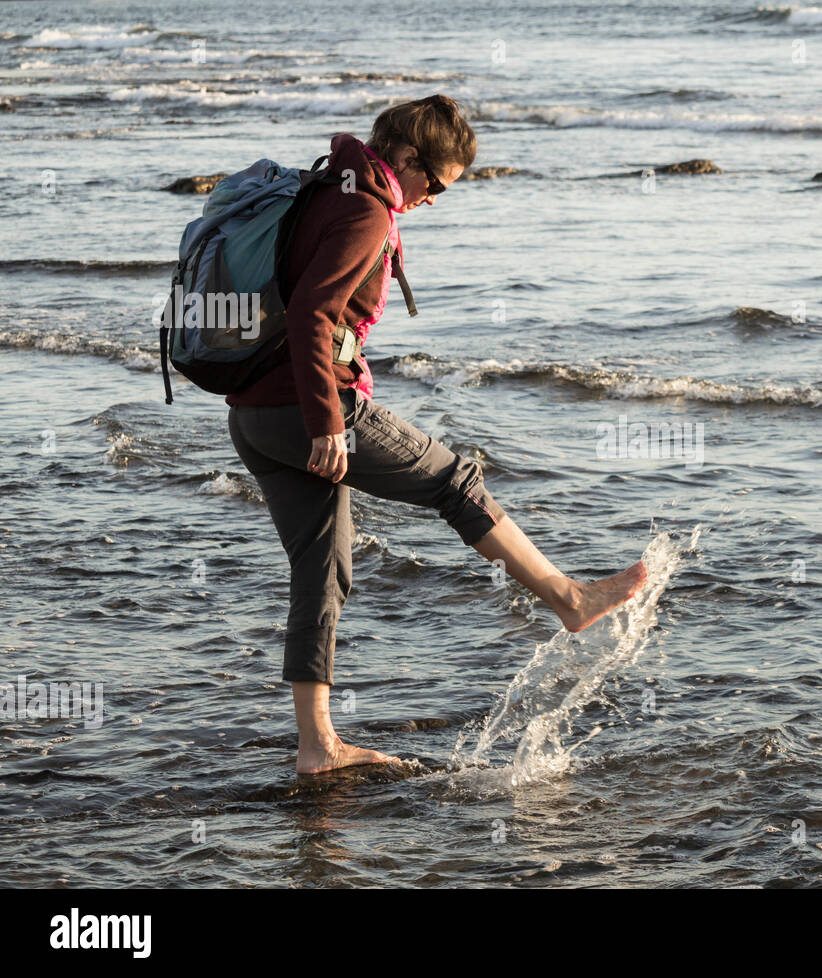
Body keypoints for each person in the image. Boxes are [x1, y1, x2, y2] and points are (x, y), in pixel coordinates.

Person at [226, 96, 647, 775]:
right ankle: (570, 599)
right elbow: (311, 312)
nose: (430, 202)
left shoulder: (326, 186)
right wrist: (327, 424)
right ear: (409, 160)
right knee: (457, 480)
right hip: (308, 410)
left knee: (320, 570)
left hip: (252, 414)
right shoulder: (366, 210)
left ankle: (316, 747)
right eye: (436, 185)